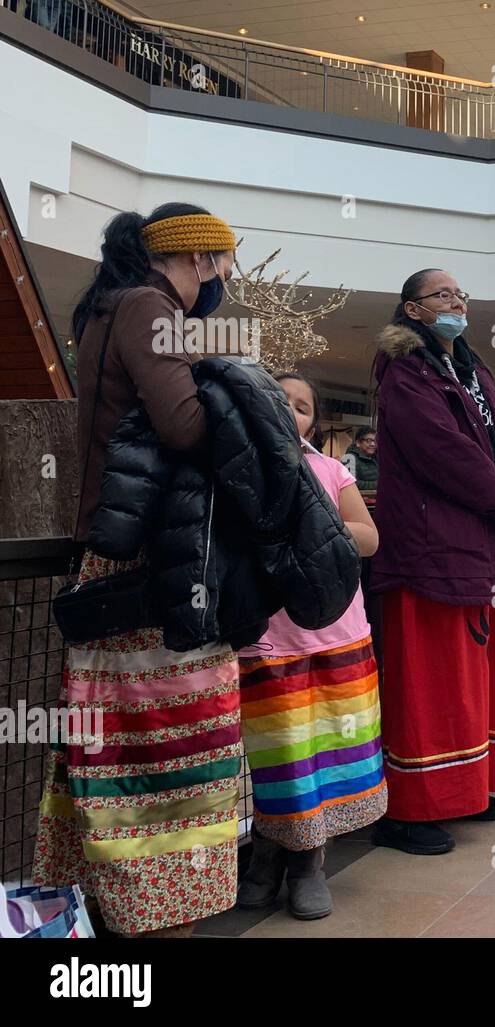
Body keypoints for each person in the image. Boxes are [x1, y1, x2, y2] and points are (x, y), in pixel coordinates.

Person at [33, 203, 243, 936]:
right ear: (196, 258)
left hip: (110, 558)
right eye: (220, 261)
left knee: (112, 741)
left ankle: (118, 912)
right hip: (155, 564)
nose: (221, 278)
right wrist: (242, 397)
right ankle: (161, 917)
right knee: (170, 744)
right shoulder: (151, 304)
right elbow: (183, 422)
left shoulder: (109, 306)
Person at [371, 268, 495, 856]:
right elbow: (441, 448)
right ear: (413, 310)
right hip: (428, 550)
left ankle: (470, 788)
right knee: (430, 681)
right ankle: (413, 808)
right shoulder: (405, 371)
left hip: (481, 543)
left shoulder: (471, 368)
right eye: (443, 295)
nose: (458, 302)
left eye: (462, 294)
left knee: (477, 678)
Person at [236, 374, 385, 921]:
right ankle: (269, 857)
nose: (291, 412)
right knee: (280, 756)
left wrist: (317, 533)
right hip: (268, 640)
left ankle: (307, 864)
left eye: (303, 407)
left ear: (313, 424)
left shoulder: (330, 469)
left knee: (326, 754)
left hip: (336, 634)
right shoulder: (239, 470)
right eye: (280, 401)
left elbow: (369, 537)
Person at [344, 427, 379, 492]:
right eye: (368, 440)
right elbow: (352, 484)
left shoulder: (376, 457)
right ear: (358, 443)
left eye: (375, 441)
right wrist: (379, 485)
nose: (373, 444)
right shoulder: (349, 458)